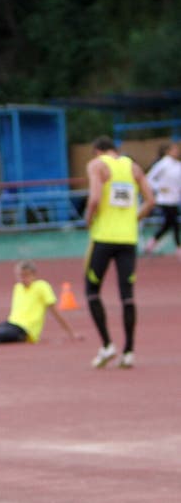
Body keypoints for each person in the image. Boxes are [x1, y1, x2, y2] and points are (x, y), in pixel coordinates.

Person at [84, 136, 155, 369]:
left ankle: (107, 345)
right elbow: (151, 200)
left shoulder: (97, 165)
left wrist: (88, 218)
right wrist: (133, 219)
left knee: (92, 290)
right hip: (128, 239)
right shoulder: (132, 167)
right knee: (127, 295)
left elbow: (94, 197)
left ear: (97, 151)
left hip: (103, 237)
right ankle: (129, 351)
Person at [144, 141, 181, 259]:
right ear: (167, 151)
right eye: (174, 149)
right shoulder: (162, 164)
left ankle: (151, 244)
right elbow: (149, 178)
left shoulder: (178, 165)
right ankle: (178, 248)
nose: (177, 151)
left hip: (174, 199)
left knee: (169, 224)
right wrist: (159, 187)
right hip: (164, 200)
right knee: (173, 223)